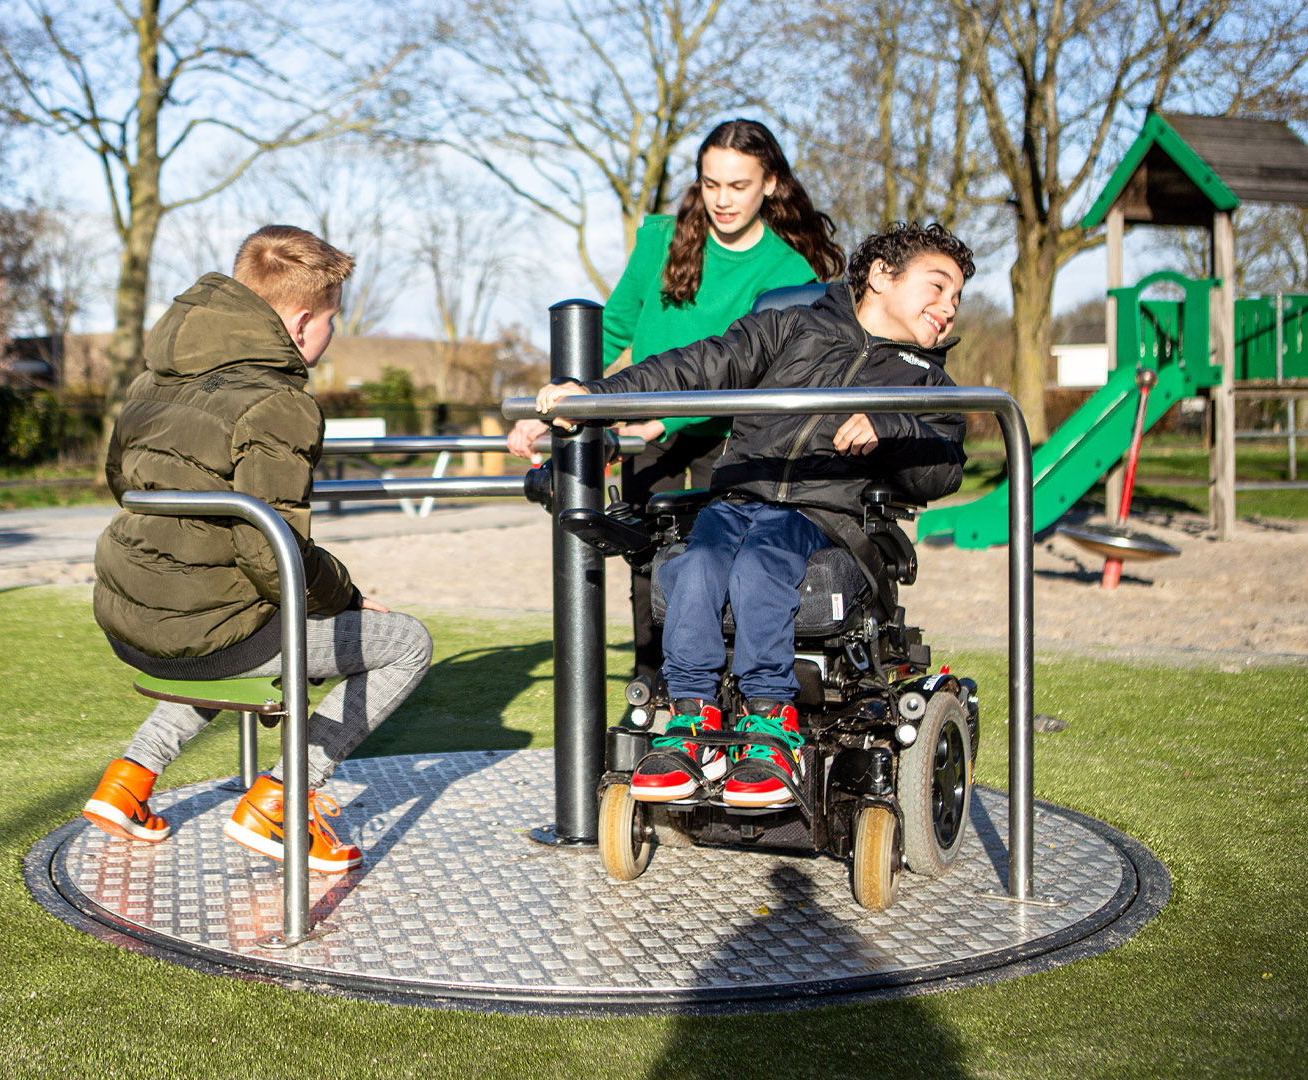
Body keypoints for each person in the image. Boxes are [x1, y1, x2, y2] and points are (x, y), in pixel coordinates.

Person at [532, 223, 972, 807]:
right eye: (937, 287)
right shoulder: (796, 326)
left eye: (958, 299)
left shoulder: (926, 381)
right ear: (881, 276)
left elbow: (943, 470)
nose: (948, 308)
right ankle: (692, 718)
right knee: (693, 565)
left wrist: (895, 426)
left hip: (823, 514)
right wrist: (598, 397)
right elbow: (700, 366)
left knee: (761, 565)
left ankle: (771, 724)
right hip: (740, 496)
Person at [87, 225, 433, 874]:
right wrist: (347, 596)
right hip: (208, 629)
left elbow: (120, 482)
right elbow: (272, 553)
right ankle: (281, 801)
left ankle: (128, 779)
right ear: (302, 323)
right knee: (406, 641)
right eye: (333, 321)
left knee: (219, 603)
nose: (330, 337)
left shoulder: (152, 381)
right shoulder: (279, 401)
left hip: (128, 617)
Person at [507, 119, 843, 682]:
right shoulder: (661, 239)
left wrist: (670, 417)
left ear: (771, 184)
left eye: (739, 185)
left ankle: (721, 691)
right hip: (642, 427)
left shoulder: (789, 271)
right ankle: (652, 687)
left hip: (731, 437)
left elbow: (756, 371)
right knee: (647, 561)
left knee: (722, 561)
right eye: (711, 184)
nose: (723, 200)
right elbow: (612, 329)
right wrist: (563, 407)